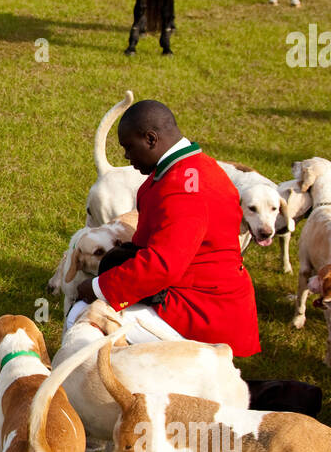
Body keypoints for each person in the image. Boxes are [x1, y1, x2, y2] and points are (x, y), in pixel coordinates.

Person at [73, 99, 260, 357]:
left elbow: (163, 264)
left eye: (129, 147)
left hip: (203, 311)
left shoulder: (184, 185)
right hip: (197, 299)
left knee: (86, 316)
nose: (127, 156)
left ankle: (72, 392)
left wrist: (99, 288)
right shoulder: (191, 168)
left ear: (150, 139)